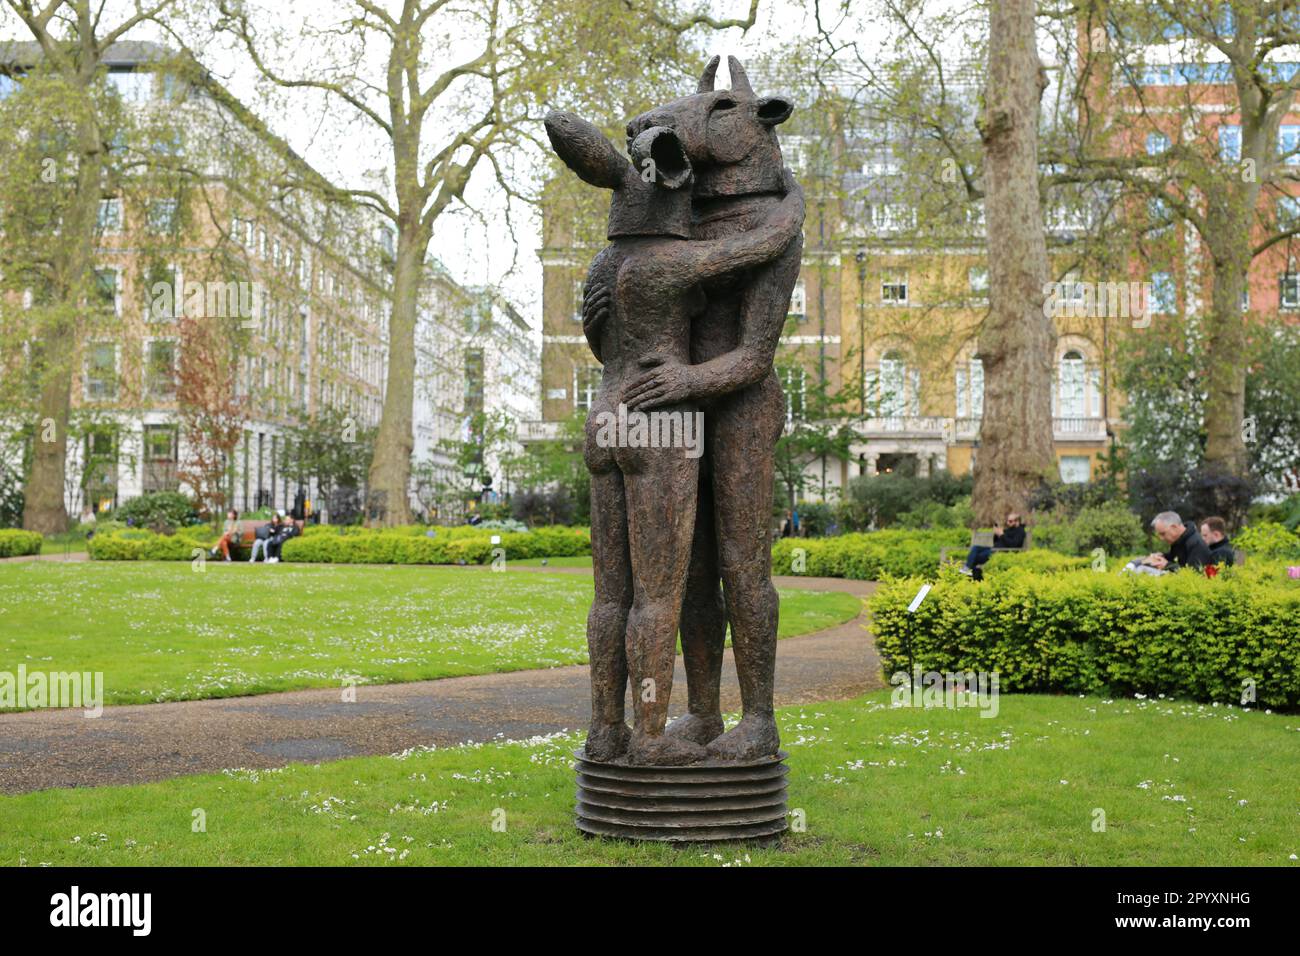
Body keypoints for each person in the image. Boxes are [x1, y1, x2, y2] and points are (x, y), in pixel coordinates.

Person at [958, 512, 1025, 577]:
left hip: (1002, 552)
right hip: (993, 549)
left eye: (1010, 521)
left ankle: (969, 570)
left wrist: (1002, 535)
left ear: (1017, 521)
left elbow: (1013, 545)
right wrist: (996, 534)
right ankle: (968, 569)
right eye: (1007, 521)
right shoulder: (1008, 530)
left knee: (977, 557)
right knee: (976, 547)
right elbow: (996, 542)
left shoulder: (1020, 531)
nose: (1008, 523)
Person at [1144, 511, 1214, 572]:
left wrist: (1167, 565)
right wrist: (1162, 556)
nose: (1161, 538)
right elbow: (1177, 558)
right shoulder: (1180, 540)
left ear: (1174, 527)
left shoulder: (1196, 544)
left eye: (1163, 534)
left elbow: (1194, 574)